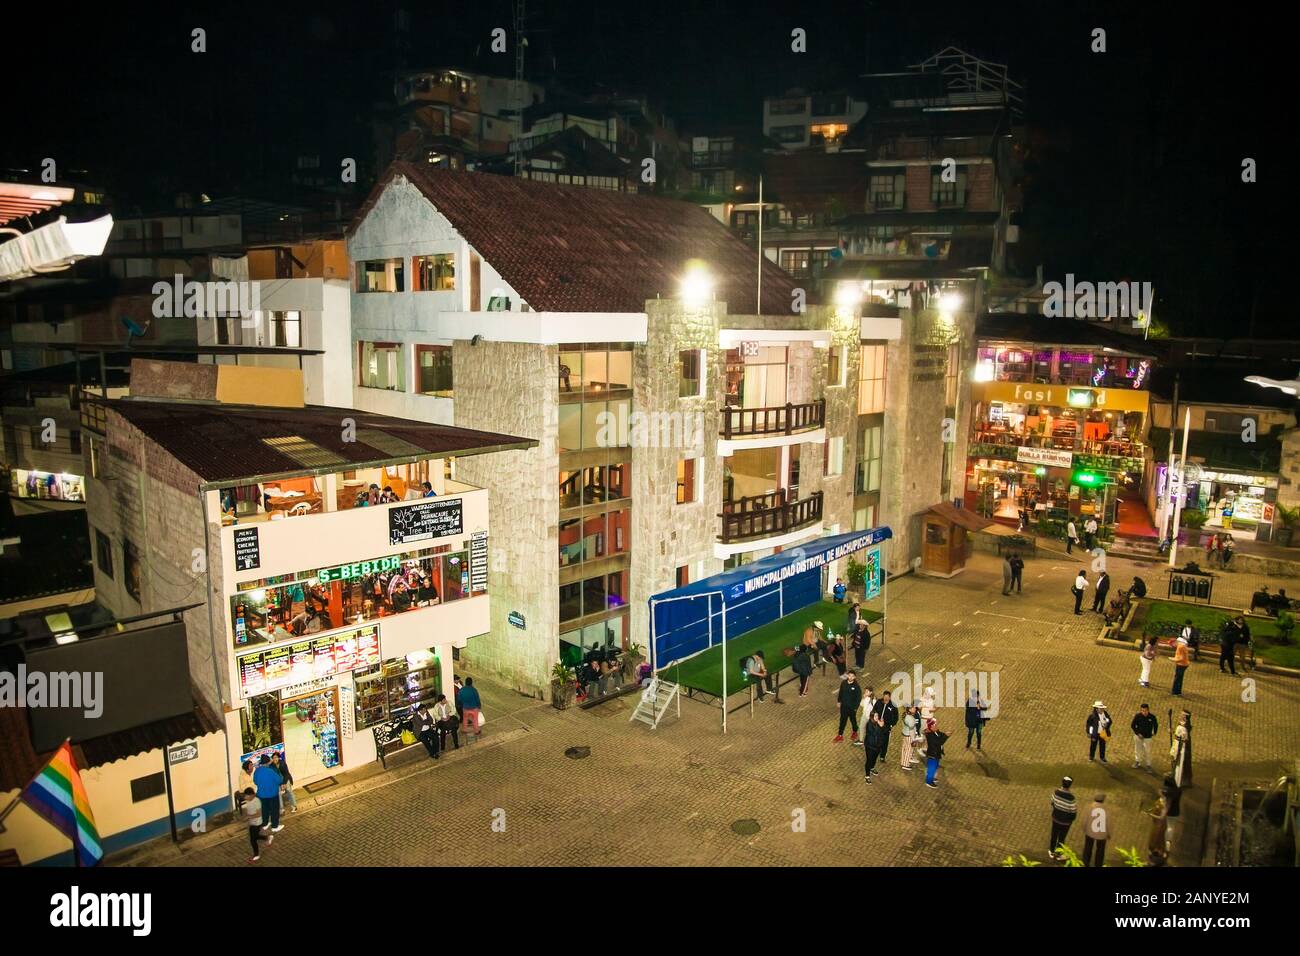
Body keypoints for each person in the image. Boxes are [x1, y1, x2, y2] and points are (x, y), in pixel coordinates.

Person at [253, 754, 285, 833]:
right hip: (272, 794)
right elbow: (279, 780)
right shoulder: (271, 771)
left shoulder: (257, 771)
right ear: (268, 762)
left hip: (261, 795)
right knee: (274, 810)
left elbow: (255, 781)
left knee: (264, 810)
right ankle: (274, 826)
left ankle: (265, 824)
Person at [1049, 776, 1078, 861]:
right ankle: (1058, 854)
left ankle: (1051, 851)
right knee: (1061, 838)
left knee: (1054, 835)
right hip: (1065, 822)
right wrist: (1071, 820)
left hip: (1055, 818)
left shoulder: (1056, 792)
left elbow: (1052, 802)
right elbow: (1073, 811)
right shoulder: (1071, 798)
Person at [242, 788, 272, 862]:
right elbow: (248, 810)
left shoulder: (257, 801)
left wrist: (248, 817)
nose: (245, 797)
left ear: (251, 795)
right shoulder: (248, 800)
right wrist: (247, 816)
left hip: (257, 823)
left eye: (246, 796)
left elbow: (259, 814)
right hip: (252, 823)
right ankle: (267, 837)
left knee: (253, 840)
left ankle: (256, 855)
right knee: (255, 837)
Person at [833, 669, 862, 742]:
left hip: (852, 708)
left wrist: (855, 708)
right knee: (842, 720)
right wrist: (839, 701)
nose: (851, 677)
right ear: (847, 676)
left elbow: (858, 698)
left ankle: (855, 731)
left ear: (855, 677)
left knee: (853, 720)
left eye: (852, 676)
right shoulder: (843, 683)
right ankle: (840, 735)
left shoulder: (856, 686)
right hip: (844, 707)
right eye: (849, 675)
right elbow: (841, 692)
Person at [1082, 793, 1110, 867]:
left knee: (1088, 847)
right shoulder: (1106, 810)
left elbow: (1085, 820)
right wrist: (1109, 834)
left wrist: (1084, 828)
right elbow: (1108, 823)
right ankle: (1098, 864)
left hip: (1090, 832)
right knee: (1100, 850)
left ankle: (1085, 863)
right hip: (1102, 834)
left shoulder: (1089, 807)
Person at [872, 690, 898, 763]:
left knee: (885, 742)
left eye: (887, 697)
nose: (886, 698)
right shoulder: (879, 702)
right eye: (884, 696)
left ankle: (882, 756)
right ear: (883, 696)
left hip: (886, 727)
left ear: (890, 697)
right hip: (877, 724)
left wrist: (891, 724)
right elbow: (874, 710)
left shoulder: (893, 705)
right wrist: (874, 720)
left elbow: (896, 717)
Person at [923, 719, 949, 789]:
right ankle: (929, 781)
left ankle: (932, 778)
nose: (937, 726)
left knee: (935, 767)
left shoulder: (935, 732)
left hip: (936, 753)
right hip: (933, 754)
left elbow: (940, 735)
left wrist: (946, 734)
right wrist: (946, 736)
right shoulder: (930, 735)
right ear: (931, 727)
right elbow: (939, 742)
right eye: (935, 725)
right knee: (931, 769)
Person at [1131, 703, 1157, 772]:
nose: (1144, 712)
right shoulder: (1138, 716)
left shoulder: (1152, 717)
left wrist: (1154, 732)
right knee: (1137, 749)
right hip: (1138, 736)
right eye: (1142, 711)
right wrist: (1138, 733)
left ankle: (1148, 765)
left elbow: (1156, 725)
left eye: (1145, 711)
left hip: (1148, 737)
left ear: (1148, 710)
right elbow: (1133, 725)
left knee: (1147, 751)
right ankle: (1137, 761)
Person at [1171, 710, 1192, 788]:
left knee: (1179, 764)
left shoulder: (1185, 727)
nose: (1180, 716)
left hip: (1180, 747)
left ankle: (1177, 781)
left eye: (1182, 715)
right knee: (1175, 761)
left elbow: (1184, 738)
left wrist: (1179, 739)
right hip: (1177, 744)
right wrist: (1173, 732)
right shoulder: (1181, 724)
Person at [863, 714, 887, 782]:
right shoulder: (869, 724)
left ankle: (872, 768)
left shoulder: (879, 723)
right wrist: (880, 726)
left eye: (877, 716)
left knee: (874, 758)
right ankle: (867, 776)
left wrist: (882, 726)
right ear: (872, 717)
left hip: (878, 746)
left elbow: (885, 732)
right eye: (875, 716)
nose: (877, 717)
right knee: (869, 760)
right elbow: (874, 733)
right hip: (870, 746)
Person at [900, 704, 920, 771]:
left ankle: (903, 761)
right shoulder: (911, 718)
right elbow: (911, 730)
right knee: (909, 750)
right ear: (909, 709)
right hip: (909, 735)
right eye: (913, 708)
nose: (915, 709)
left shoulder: (905, 715)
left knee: (904, 749)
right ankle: (905, 764)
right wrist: (913, 739)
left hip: (905, 734)